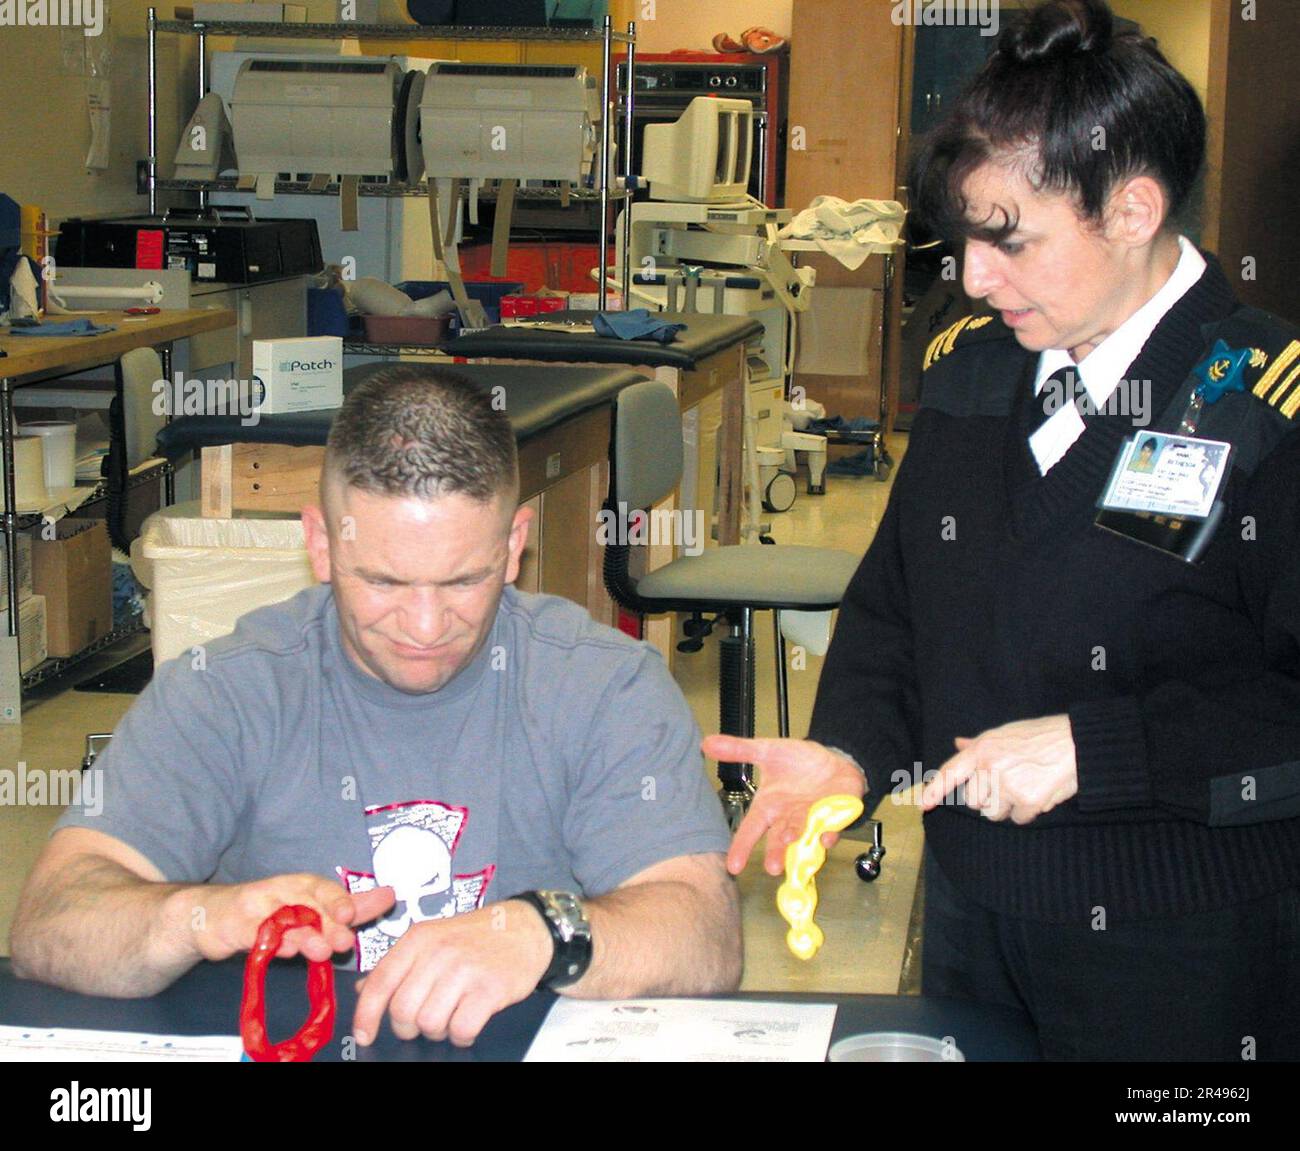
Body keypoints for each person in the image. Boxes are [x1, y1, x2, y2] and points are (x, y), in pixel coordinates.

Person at [707, 0, 1300, 1060]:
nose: (973, 277)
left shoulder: (1262, 403)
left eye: (1008, 240)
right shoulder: (974, 368)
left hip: (1180, 949)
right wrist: (852, 748)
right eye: (967, 237)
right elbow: (896, 601)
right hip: (971, 924)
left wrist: (1096, 748)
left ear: (1131, 209)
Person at [11, 365, 741, 1048]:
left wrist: (546, 933)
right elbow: (51, 921)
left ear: (514, 543)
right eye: (386, 583)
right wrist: (195, 915)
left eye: (463, 580)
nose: (425, 628)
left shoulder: (604, 685)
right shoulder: (228, 689)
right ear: (321, 545)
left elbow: (706, 934)